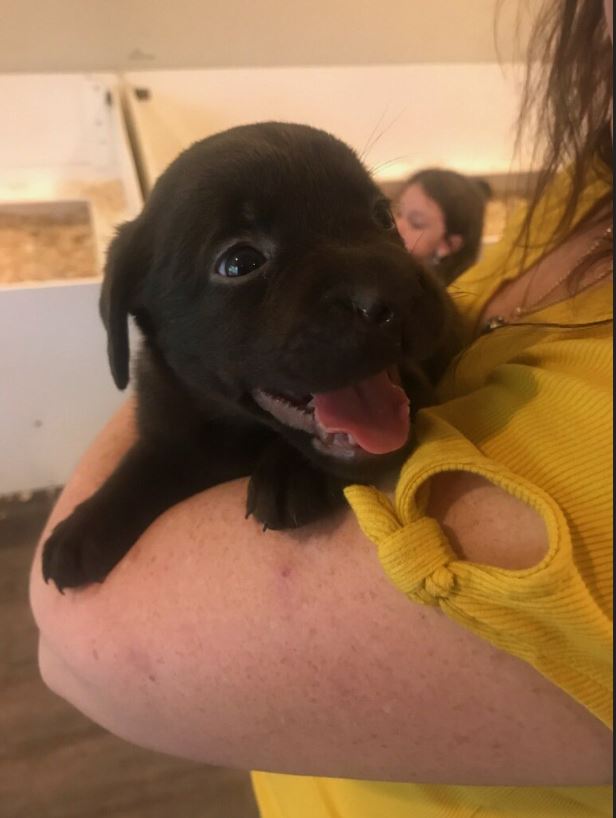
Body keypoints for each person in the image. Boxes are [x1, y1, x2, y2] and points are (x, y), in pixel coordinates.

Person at [29, 1, 613, 816]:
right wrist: (130, 495)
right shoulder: (585, 196)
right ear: (140, 314)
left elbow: (88, 648)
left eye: (373, 220)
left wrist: (299, 451)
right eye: (242, 260)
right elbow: (168, 449)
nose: (377, 282)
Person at [393, 168, 491, 285]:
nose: (397, 226)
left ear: (450, 244)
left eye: (416, 223)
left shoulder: (454, 297)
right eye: (398, 213)